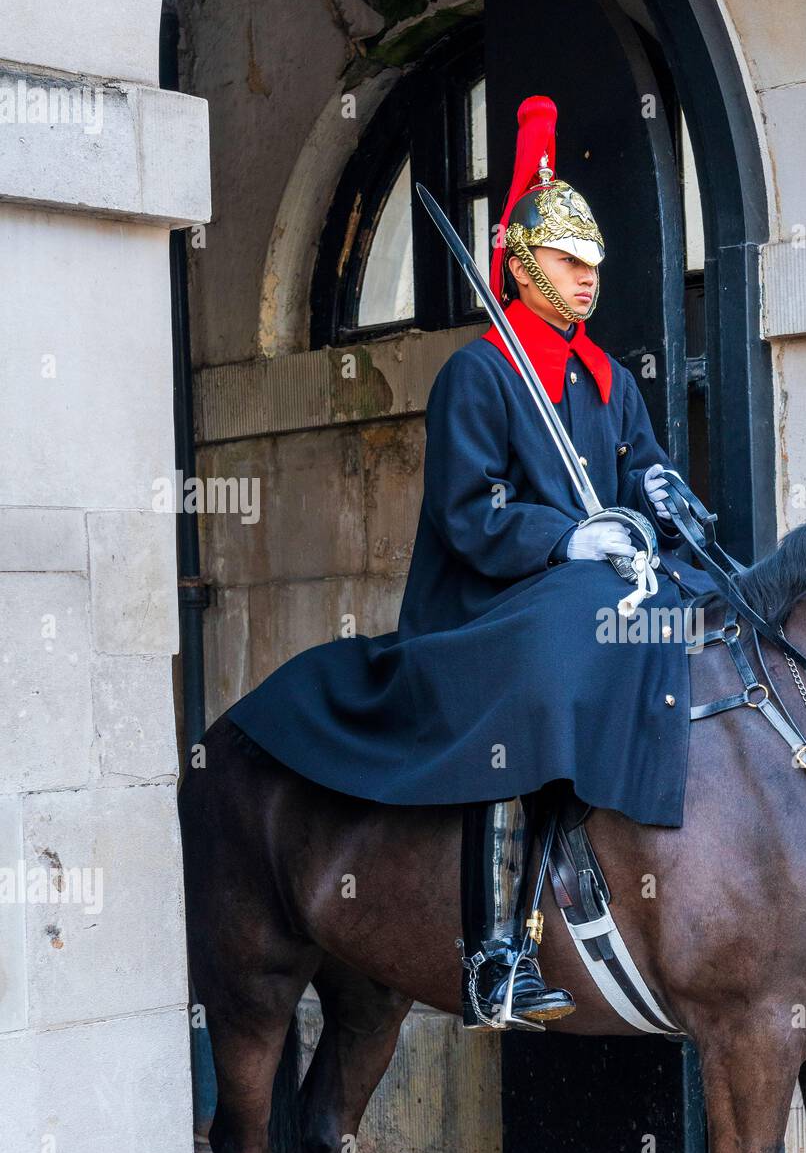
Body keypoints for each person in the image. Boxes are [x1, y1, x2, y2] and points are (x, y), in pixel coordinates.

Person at [225, 95, 716, 1031]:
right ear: (524, 264)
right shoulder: (481, 375)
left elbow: (643, 464)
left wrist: (663, 501)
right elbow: (468, 511)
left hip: (588, 589)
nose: (588, 282)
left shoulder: (608, 381)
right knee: (553, 657)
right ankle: (499, 951)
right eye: (571, 263)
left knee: (692, 609)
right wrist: (569, 537)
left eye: (595, 267)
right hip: (489, 601)